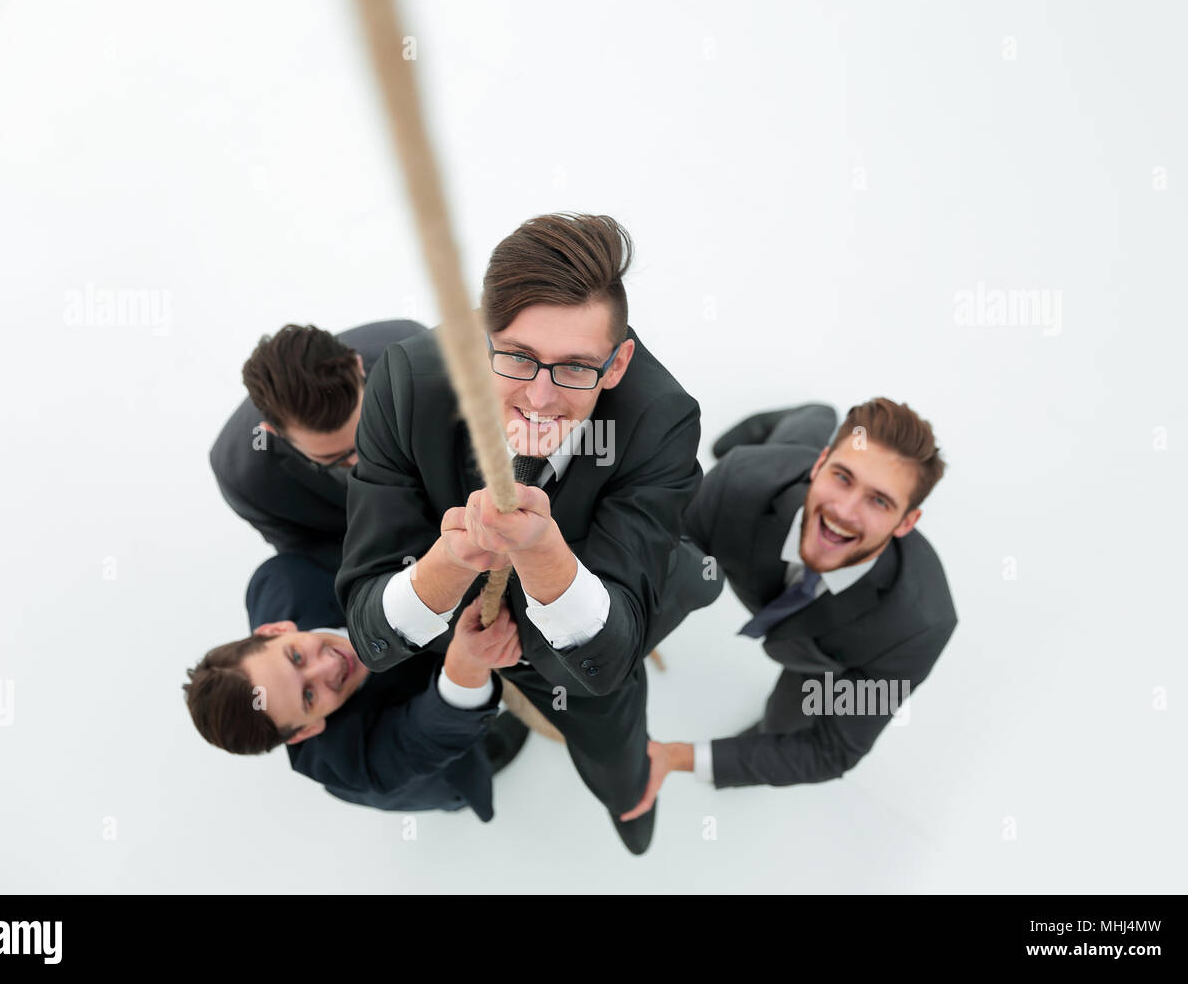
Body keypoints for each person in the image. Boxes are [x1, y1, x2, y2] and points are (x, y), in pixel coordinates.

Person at [333, 212, 720, 855]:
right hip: (467, 624)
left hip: (588, 606)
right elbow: (373, 632)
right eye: (518, 357)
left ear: (618, 363)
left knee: (612, 738)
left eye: (575, 368)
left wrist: (543, 555)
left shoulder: (660, 421)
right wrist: (451, 561)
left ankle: (627, 797)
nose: (540, 399)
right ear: (482, 335)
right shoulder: (406, 383)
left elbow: (607, 660)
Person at [622, 400, 957, 817]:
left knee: (784, 726)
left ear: (907, 522)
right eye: (842, 476)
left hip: (820, 659)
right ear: (820, 465)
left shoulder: (919, 626)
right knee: (801, 432)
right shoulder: (740, 480)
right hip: (768, 481)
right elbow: (652, 560)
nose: (845, 512)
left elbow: (830, 750)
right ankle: (818, 414)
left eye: (879, 502)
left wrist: (678, 757)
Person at [182, 551, 529, 819]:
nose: (331, 665)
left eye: (296, 658)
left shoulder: (286, 579)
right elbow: (424, 738)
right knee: (440, 774)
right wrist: (464, 668)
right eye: (308, 695)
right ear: (307, 730)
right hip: (413, 747)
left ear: (276, 630)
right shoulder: (345, 761)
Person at [209, 318, 425, 570]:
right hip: (371, 559)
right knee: (281, 577)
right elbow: (318, 557)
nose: (362, 461)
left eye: (367, 435)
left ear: (358, 369)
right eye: (336, 458)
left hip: (457, 517)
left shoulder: (416, 357)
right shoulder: (245, 476)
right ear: (272, 433)